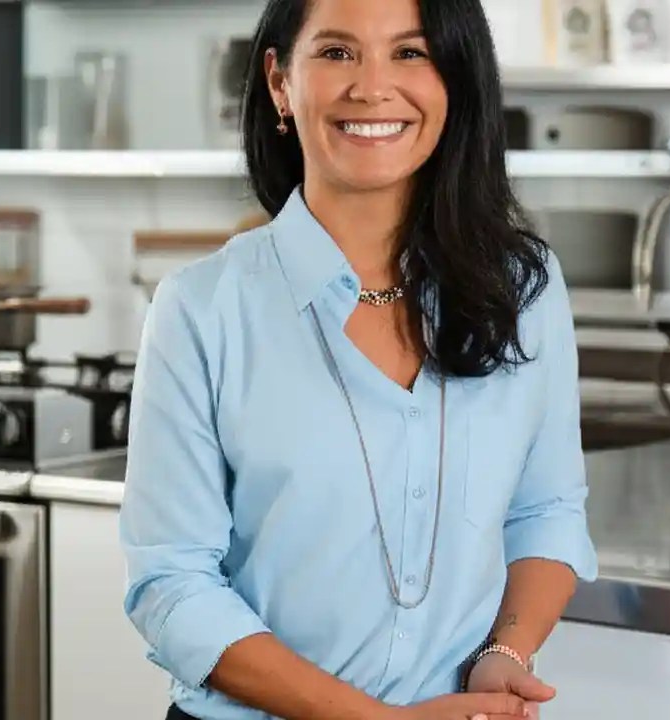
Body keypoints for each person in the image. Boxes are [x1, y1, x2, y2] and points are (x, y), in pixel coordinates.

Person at [118, 0, 598, 717]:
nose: (372, 88)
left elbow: (546, 508)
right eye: (337, 52)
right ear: (280, 82)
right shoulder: (201, 308)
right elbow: (172, 587)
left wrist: (506, 654)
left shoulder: (523, 288)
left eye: (410, 53)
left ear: (456, 78)